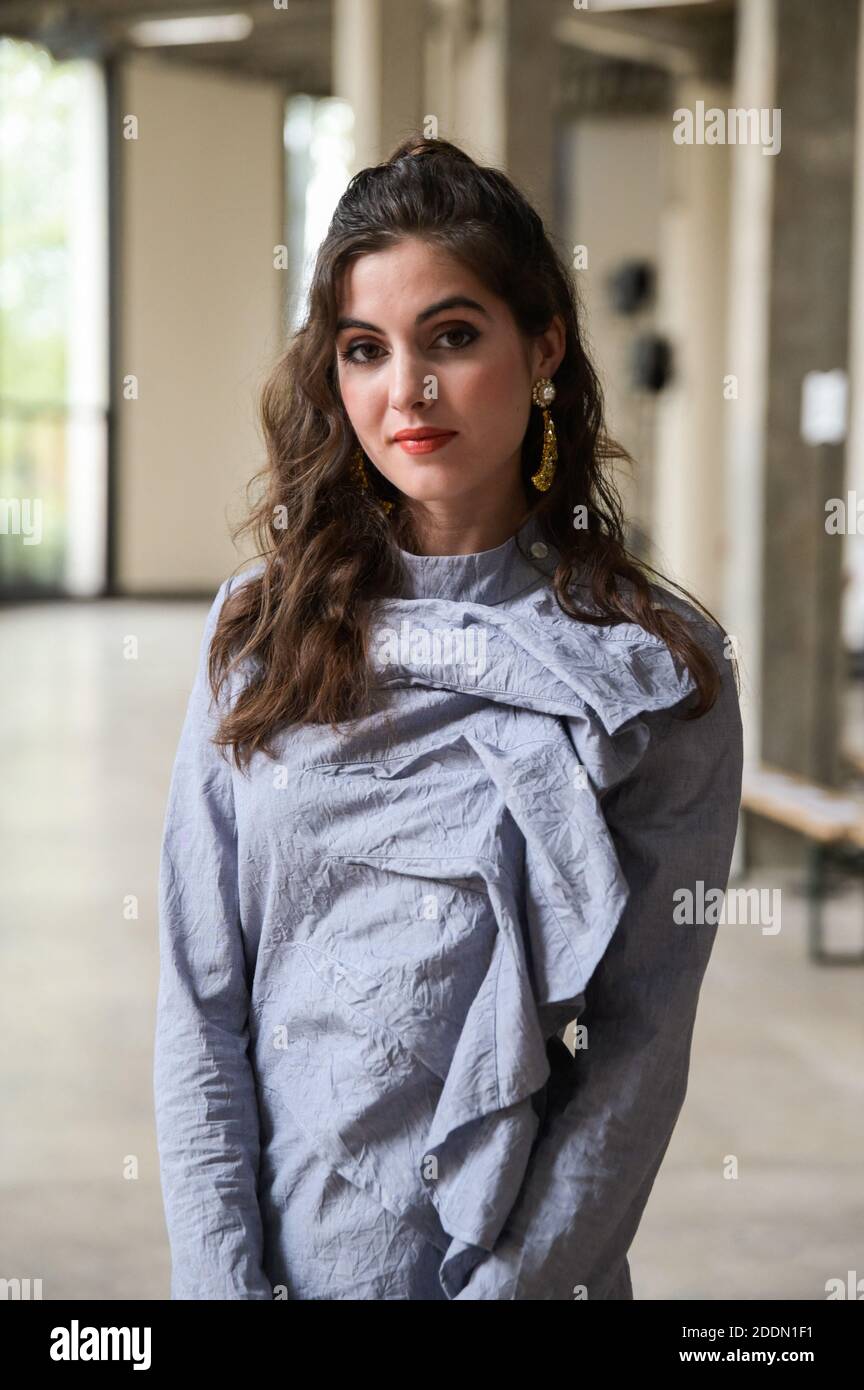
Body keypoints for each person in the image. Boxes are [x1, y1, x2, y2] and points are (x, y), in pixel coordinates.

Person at [153, 135, 743, 1300]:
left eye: (454, 336)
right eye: (365, 350)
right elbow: (202, 1002)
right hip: (279, 1263)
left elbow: (637, 1049)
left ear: (546, 346)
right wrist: (221, 1285)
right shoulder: (259, 633)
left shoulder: (654, 672)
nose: (405, 391)